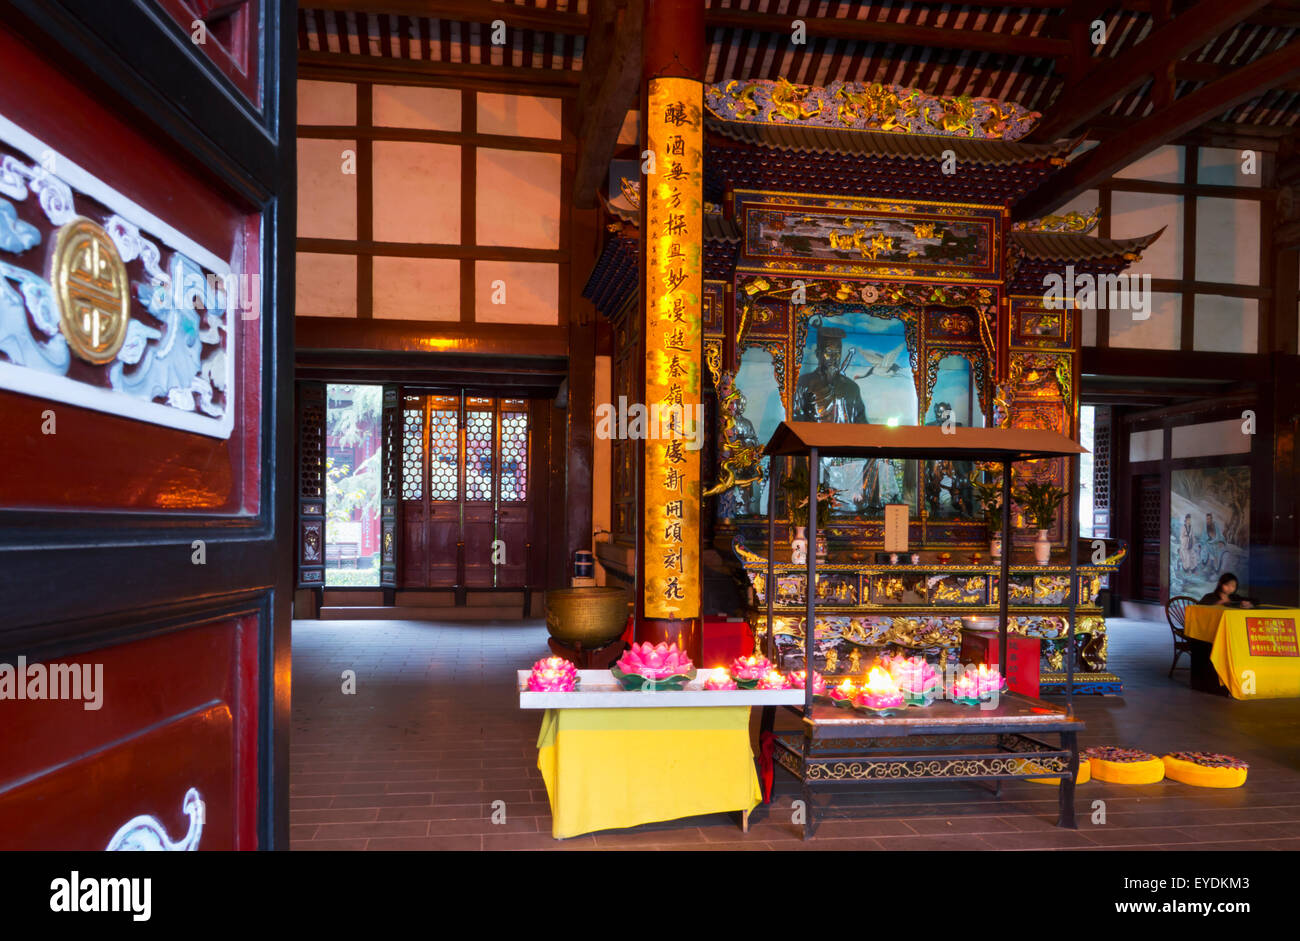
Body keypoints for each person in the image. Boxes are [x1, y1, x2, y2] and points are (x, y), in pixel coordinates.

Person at [792, 323, 866, 424]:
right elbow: (796, 419)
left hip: (845, 439)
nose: (834, 358)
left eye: (837, 353)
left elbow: (861, 423)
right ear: (818, 353)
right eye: (829, 352)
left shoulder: (852, 387)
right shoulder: (804, 383)